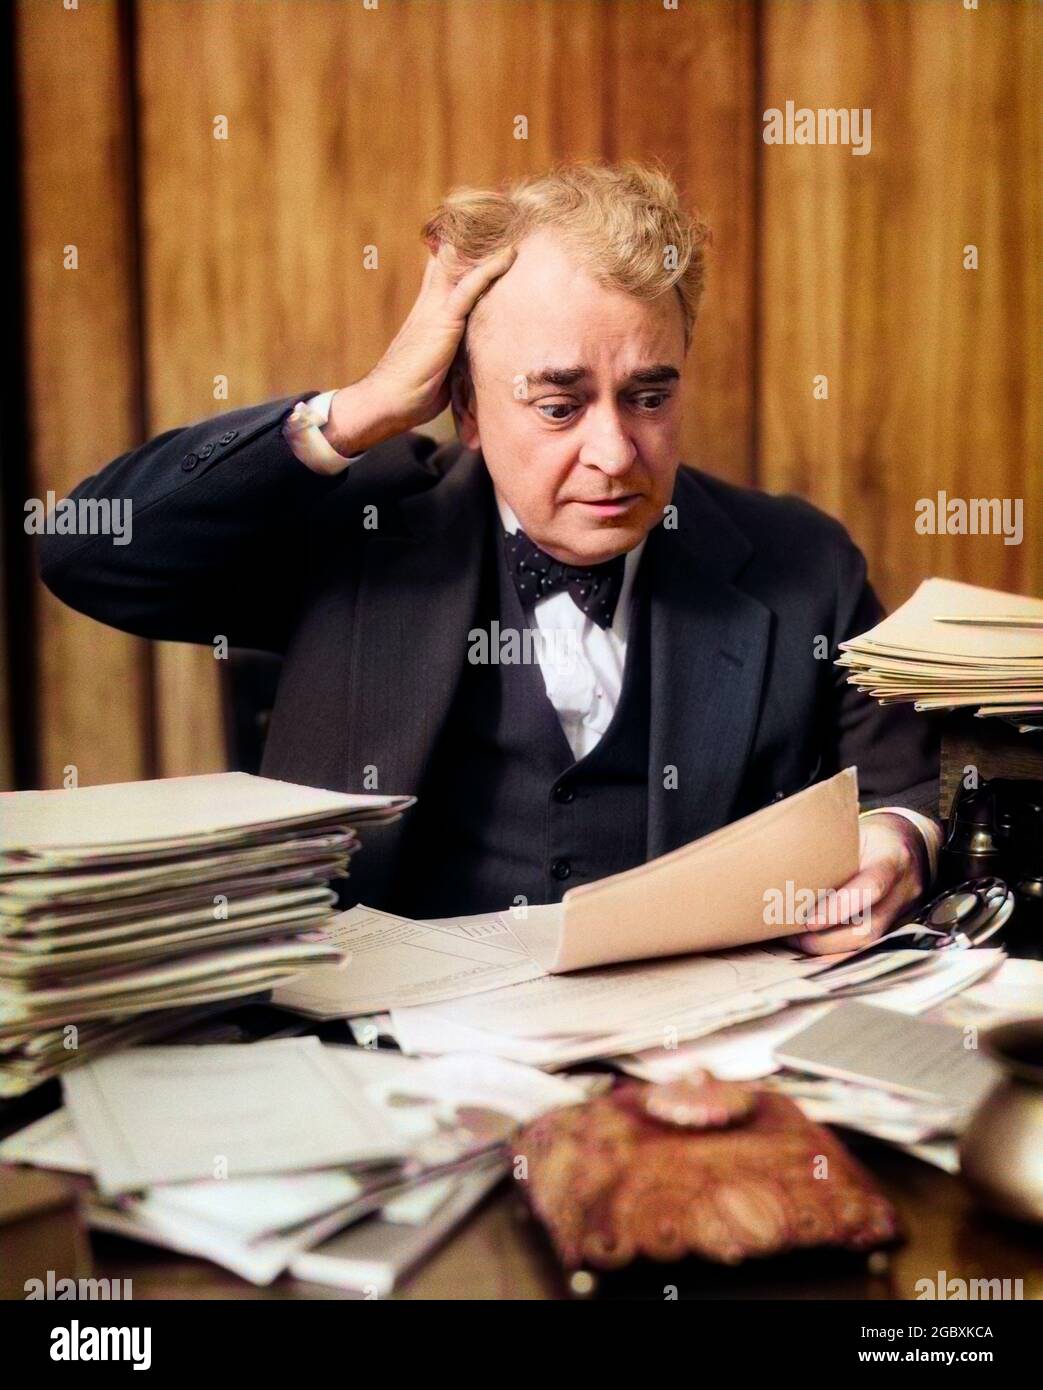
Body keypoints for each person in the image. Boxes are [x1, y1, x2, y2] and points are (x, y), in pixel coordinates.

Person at [39, 159, 941, 954]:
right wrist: (363, 409)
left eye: (648, 397)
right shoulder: (356, 534)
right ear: (466, 410)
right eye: (559, 405)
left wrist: (894, 842)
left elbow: (903, 783)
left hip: (683, 1070)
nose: (616, 454)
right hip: (391, 1074)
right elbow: (85, 550)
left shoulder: (800, 560)